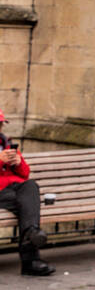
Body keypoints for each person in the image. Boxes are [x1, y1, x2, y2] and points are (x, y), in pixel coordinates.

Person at [0, 111, 54, 275]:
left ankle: (31, 233)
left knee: (30, 186)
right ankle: (30, 260)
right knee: (27, 205)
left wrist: (17, 162)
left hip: (13, 189)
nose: (0, 127)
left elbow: (25, 174)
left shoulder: (5, 142)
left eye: (1, 123)